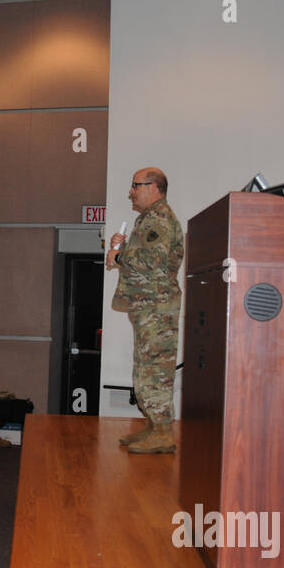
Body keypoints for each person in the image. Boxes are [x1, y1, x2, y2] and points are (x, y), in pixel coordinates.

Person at [106, 166, 183, 454]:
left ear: (155, 187)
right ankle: (154, 426)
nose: (131, 191)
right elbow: (147, 260)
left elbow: (153, 258)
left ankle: (163, 432)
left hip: (157, 309)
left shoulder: (159, 219)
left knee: (155, 370)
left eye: (136, 185)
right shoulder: (149, 220)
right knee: (146, 368)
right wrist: (121, 251)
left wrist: (120, 254)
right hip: (149, 308)